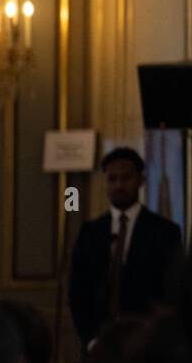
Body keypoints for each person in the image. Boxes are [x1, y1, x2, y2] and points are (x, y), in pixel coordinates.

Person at [69, 147, 182, 350]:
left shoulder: (165, 232)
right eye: (112, 179)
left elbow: (172, 291)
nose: (119, 185)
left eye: (126, 178)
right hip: (99, 342)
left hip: (147, 342)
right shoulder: (90, 232)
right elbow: (78, 291)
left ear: (140, 180)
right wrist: (90, 339)